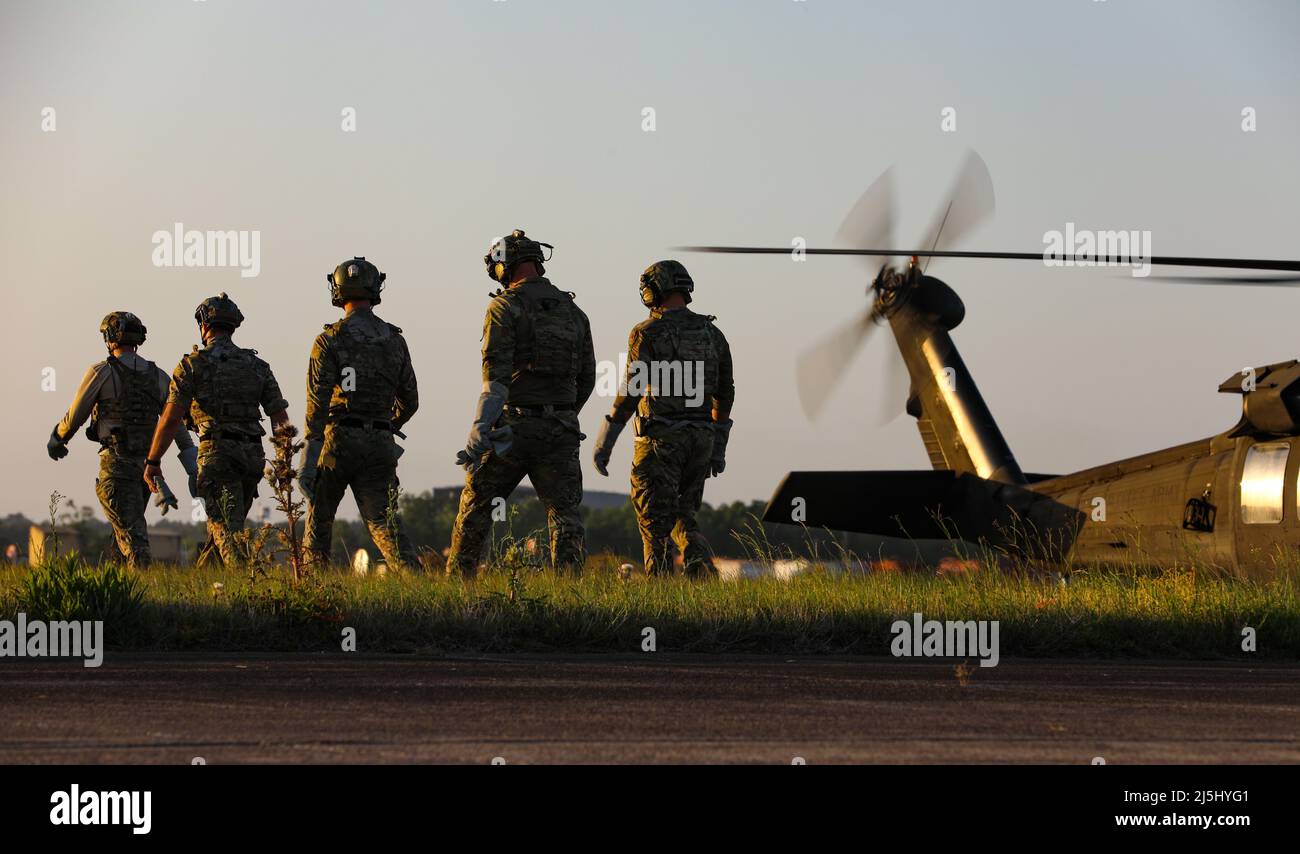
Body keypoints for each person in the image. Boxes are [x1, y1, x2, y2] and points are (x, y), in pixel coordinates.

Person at [446, 230, 596, 578]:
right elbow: (586, 378)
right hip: (560, 429)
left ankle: (458, 586)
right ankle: (570, 594)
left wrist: (481, 426)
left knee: (476, 508)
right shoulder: (573, 311)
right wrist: (561, 414)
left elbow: (495, 379)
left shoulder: (504, 307)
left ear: (503, 266)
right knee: (565, 517)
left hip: (512, 428)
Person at [591, 261, 735, 577]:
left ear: (653, 290)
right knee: (685, 515)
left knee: (653, 520)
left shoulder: (647, 332)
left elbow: (633, 387)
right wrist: (718, 445)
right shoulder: (713, 333)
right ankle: (702, 581)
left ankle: (660, 589)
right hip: (701, 438)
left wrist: (607, 438)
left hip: (660, 440)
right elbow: (725, 393)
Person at [143, 294, 290, 566]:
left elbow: (171, 418)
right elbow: (280, 418)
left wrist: (153, 461)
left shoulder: (192, 365)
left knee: (225, 530)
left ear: (204, 325)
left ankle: (245, 591)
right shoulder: (258, 366)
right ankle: (208, 591)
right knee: (224, 529)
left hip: (216, 455)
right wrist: (283, 463)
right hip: (252, 457)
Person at [47, 312, 196, 568]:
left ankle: (147, 601)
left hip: (117, 466)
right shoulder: (158, 376)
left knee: (134, 540)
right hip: (146, 468)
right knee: (124, 535)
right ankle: (120, 596)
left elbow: (75, 416)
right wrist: (192, 467)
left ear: (109, 338)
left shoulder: (100, 372)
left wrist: (58, 438)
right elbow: (176, 424)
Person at [299, 256, 420, 569]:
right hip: (380, 443)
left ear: (337, 290)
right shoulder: (394, 340)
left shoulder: (329, 340)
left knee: (320, 522)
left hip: (337, 441)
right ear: (375, 288)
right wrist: (385, 426)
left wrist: (308, 459)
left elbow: (317, 404)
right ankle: (417, 584)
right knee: (386, 525)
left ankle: (311, 590)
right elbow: (410, 400)